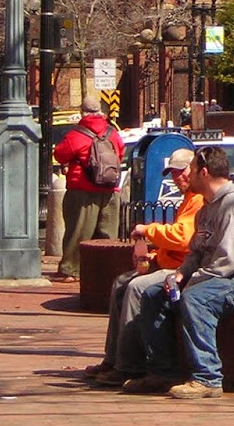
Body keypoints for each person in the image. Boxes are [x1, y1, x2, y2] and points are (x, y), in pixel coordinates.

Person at [127, 145, 234, 399]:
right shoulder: (206, 208)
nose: (188, 176)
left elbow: (229, 261)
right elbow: (196, 251)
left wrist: (191, 282)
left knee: (195, 299)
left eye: (192, 170)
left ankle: (207, 378)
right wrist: (180, 274)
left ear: (204, 173)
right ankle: (162, 372)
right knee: (154, 294)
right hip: (217, 275)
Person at [87, 149, 203, 387]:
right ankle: (113, 358)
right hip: (171, 263)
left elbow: (183, 239)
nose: (177, 178)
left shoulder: (198, 200)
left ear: (195, 170)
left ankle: (129, 365)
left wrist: (147, 230)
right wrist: (153, 255)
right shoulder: (187, 200)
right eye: (173, 174)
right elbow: (176, 244)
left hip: (185, 269)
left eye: (182, 172)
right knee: (120, 282)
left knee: (136, 287)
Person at [52, 95, 124, 280]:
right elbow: (120, 153)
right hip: (110, 190)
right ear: (100, 111)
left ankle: (71, 270)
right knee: (108, 234)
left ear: (82, 112)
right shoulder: (112, 133)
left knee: (78, 231)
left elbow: (60, 155)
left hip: (82, 190)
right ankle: (106, 272)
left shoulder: (76, 134)